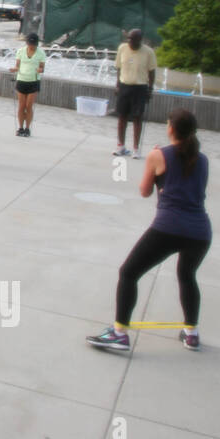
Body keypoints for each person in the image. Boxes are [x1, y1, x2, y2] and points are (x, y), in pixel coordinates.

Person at [87, 109, 212, 353]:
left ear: (171, 129)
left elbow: (144, 191)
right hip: (200, 232)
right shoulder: (203, 158)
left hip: (168, 228)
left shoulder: (158, 155)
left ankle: (119, 333)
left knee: (129, 272)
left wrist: (155, 162)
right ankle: (191, 333)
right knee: (187, 276)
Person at [113, 29, 156, 157]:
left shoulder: (148, 52)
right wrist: (117, 85)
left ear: (139, 40)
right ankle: (121, 146)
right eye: (129, 38)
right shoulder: (122, 48)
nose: (129, 41)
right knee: (122, 117)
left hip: (140, 88)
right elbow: (119, 68)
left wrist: (150, 89)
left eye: (133, 39)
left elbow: (152, 72)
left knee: (137, 118)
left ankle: (136, 149)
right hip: (124, 86)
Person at [9, 33, 47, 137]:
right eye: (30, 44)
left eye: (33, 44)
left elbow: (42, 68)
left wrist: (40, 70)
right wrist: (14, 69)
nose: (32, 46)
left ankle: (27, 128)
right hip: (21, 80)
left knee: (29, 106)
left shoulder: (41, 53)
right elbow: (17, 66)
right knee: (21, 106)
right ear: (27, 43)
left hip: (33, 81)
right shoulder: (21, 51)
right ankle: (20, 128)